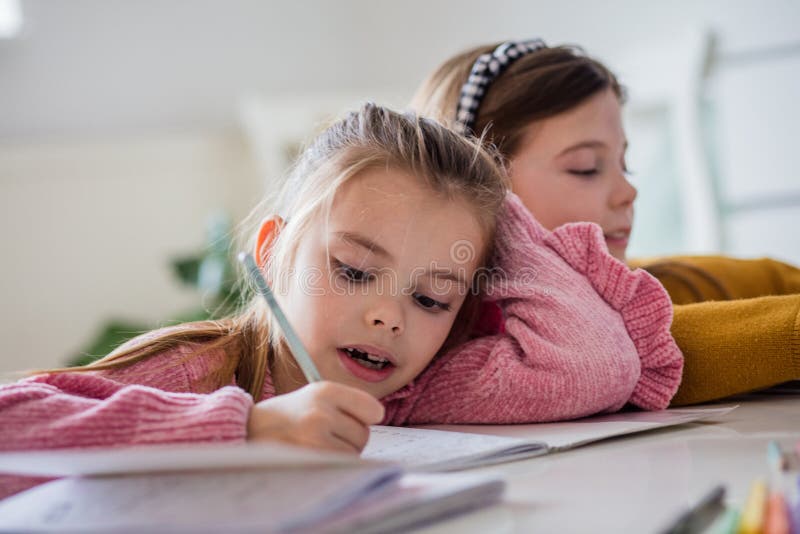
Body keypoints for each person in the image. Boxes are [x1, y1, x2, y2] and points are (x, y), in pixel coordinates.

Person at [0, 103, 681, 499]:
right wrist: (250, 428)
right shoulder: (198, 372)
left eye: (432, 297)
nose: (390, 317)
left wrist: (495, 213)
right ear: (271, 253)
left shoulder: (426, 390)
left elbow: (598, 364)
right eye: (354, 271)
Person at [411, 39, 800, 406]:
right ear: (482, 186)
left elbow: (763, 277)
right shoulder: (459, 325)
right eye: (586, 168)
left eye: (624, 164)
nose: (628, 191)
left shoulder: (634, 279)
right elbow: (634, 345)